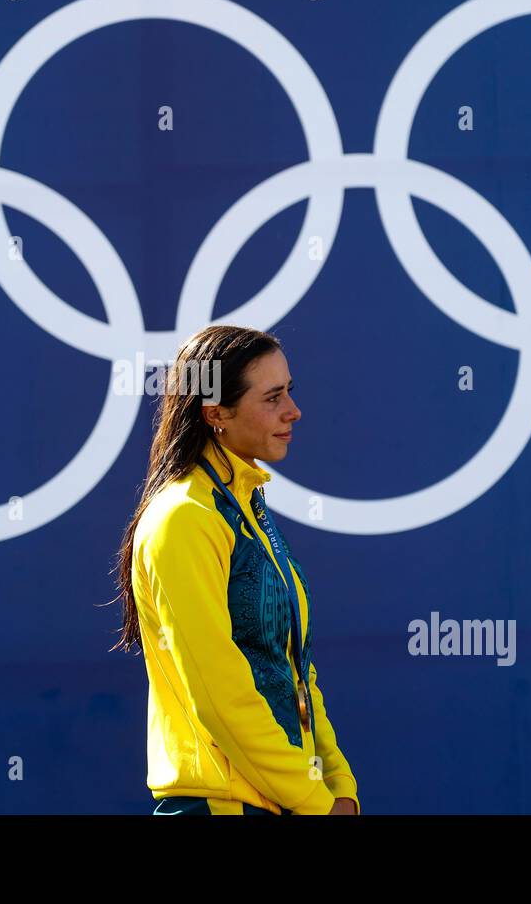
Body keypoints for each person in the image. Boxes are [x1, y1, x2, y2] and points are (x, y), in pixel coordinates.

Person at [110, 324, 360, 815]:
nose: (293, 411)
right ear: (216, 413)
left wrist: (338, 783)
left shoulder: (246, 506)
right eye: (272, 398)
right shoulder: (184, 518)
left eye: (290, 391)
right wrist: (315, 800)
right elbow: (221, 695)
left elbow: (295, 670)